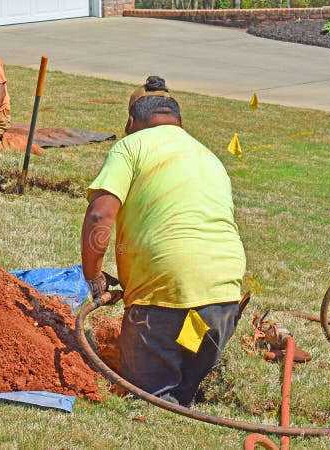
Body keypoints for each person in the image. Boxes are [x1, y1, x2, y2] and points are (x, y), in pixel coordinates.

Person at [80, 76, 247, 406]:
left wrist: (94, 277)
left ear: (131, 121)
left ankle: (163, 403)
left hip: (163, 300)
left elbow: (100, 217)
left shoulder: (130, 147)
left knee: (152, 400)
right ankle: (182, 398)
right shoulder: (209, 157)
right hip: (222, 303)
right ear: (178, 121)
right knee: (185, 385)